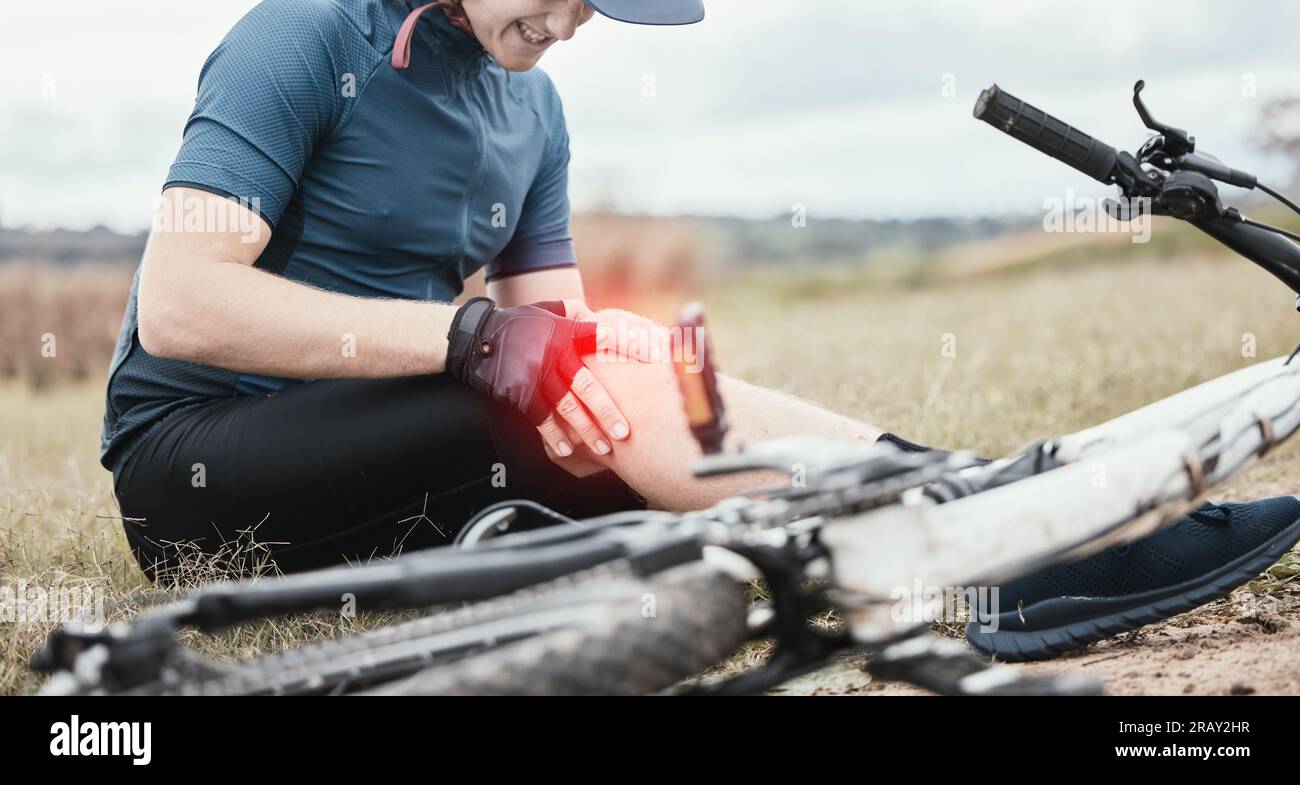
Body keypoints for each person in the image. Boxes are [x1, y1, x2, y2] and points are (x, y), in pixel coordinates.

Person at [102, 0, 1300, 659]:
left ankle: (991, 522)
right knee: (565, 384)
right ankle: (999, 546)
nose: (575, 19)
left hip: (388, 454)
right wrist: (472, 341)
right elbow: (185, 299)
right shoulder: (302, 37)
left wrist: (579, 370)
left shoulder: (536, 106)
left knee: (623, 379)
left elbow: (555, 337)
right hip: (200, 464)